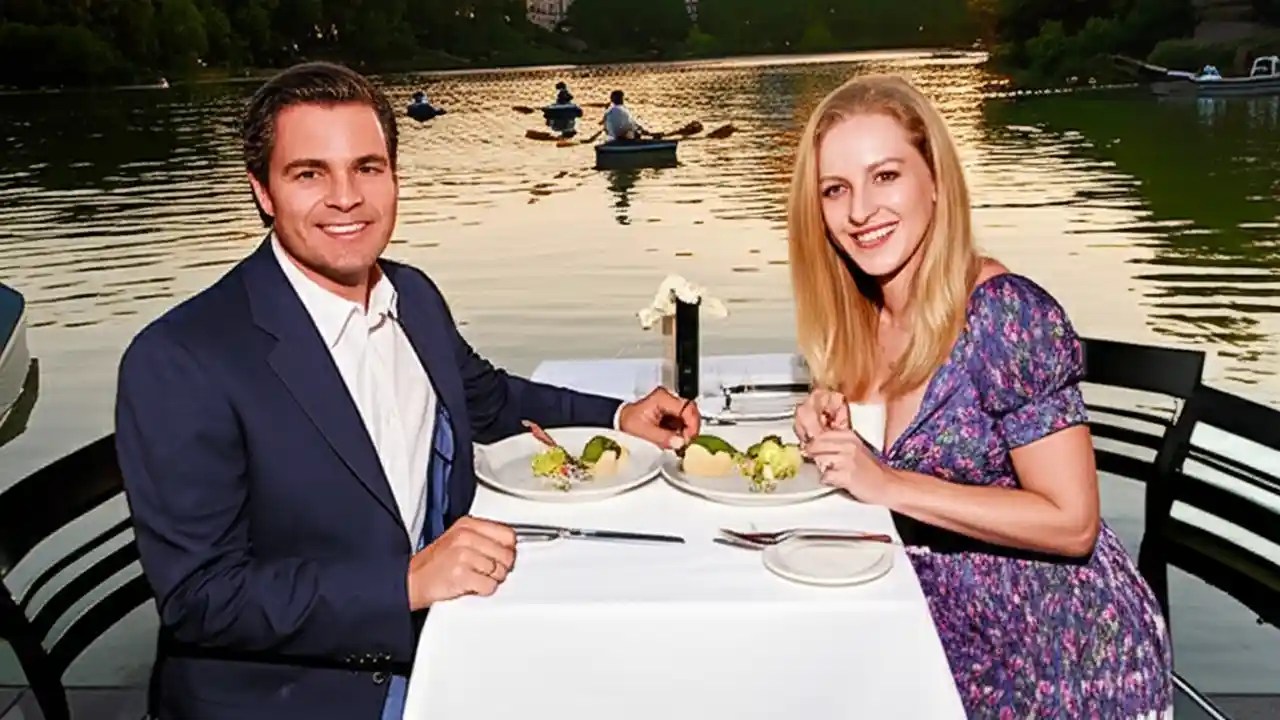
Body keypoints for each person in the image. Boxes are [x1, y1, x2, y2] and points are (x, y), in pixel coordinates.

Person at [114, 61, 700, 720]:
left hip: (444, 633)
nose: (347, 197)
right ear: (263, 192)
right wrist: (403, 584)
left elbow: (489, 397)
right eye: (310, 173)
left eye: (368, 167)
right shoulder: (181, 360)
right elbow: (202, 596)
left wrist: (621, 415)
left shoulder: (412, 296)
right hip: (307, 695)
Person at [787, 74, 1172, 717]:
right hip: (942, 636)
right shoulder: (868, 316)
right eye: (836, 189)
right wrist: (837, 425)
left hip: (1063, 662)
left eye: (886, 176)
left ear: (935, 181)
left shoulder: (1004, 314)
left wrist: (886, 482)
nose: (860, 211)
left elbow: (1072, 524)